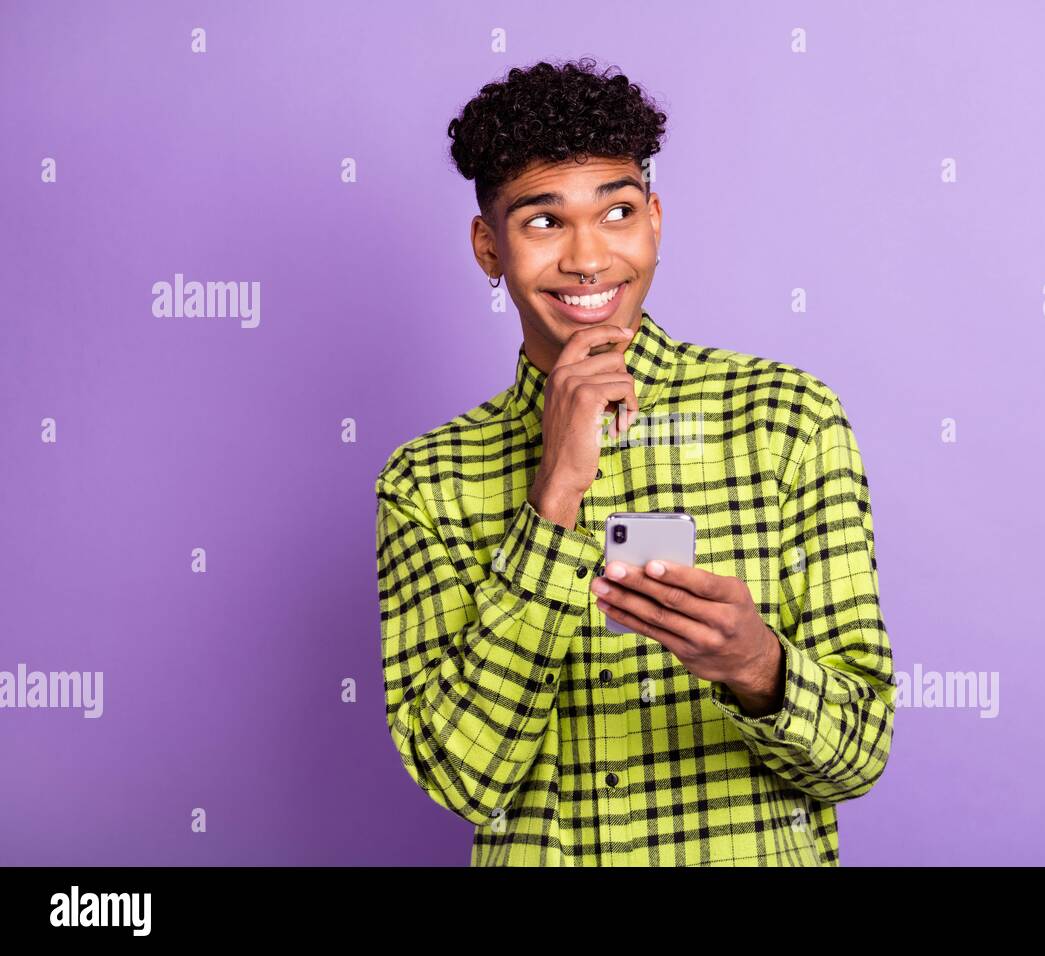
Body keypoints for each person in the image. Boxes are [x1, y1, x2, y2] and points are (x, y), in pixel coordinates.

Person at [375, 57, 894, 866]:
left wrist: (757, 667)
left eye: (616, 211)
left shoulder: (788, 419)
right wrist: (554, 493)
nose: (588, 258)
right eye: (543, 221)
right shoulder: (425, 481)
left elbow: (858, 756)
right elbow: (461, 778)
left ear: (653, 219)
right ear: (488, 247)